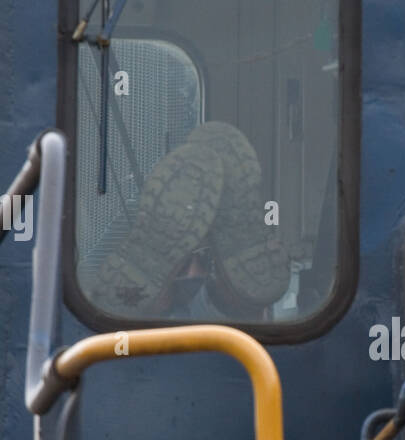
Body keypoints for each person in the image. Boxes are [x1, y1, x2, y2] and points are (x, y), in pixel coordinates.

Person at [88, 121, 290, 320]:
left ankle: (148, 307)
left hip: (174, 315)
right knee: (227, 315)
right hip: (214, 316)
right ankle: (236, 303)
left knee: (168, 315)